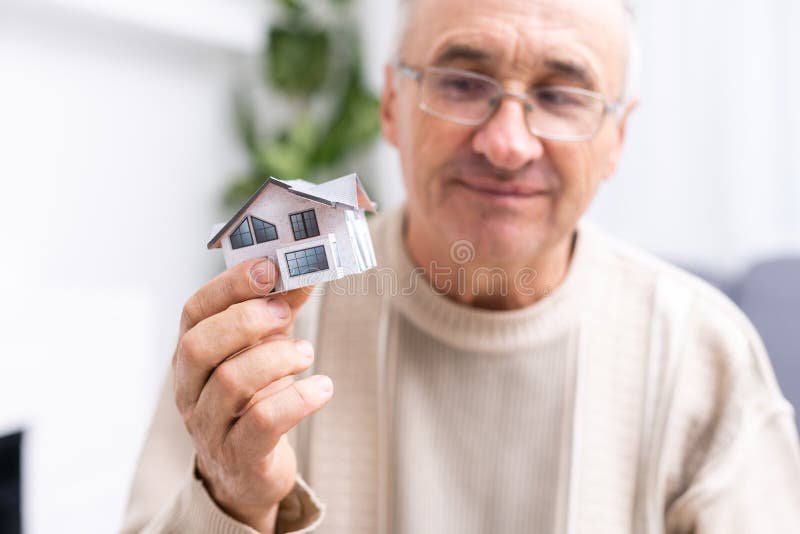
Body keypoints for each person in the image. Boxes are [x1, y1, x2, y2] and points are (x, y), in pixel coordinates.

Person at [122, 0, 800, 532]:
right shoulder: (262, 334)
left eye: (562, 95)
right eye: (462, 82)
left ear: (616, 137)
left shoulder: (705, 354)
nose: (507, 143)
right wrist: (233, 502)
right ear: (391, 105)